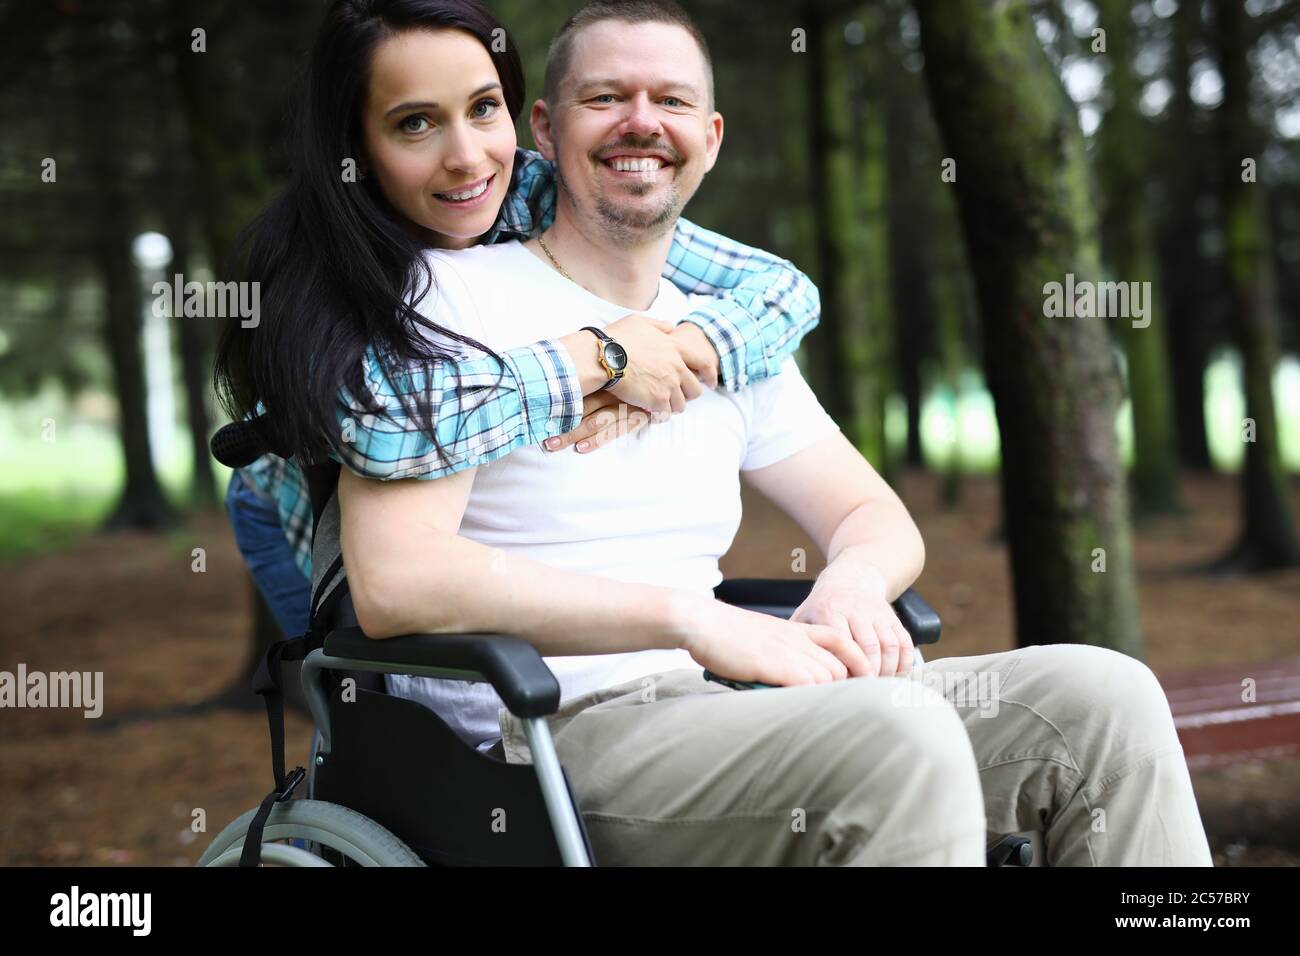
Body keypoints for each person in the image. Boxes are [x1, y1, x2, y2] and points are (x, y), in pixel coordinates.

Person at [326, 0, 1215, 866]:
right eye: (606, 99)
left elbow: (870, 512)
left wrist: (853, 589)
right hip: (556, 735)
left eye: (670, 100)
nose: (641, 123)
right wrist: (690, 619)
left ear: (710, 138)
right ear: (546, 132)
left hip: (736, 701)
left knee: (1103, 699)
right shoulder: (443, 300)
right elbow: (399, 583)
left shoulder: (727, 328)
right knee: (894, 735)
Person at [214, 0, 823, 643]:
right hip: (291, 508)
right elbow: (383, 433)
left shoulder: (535, 190)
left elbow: (783, 290)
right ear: (355, 146)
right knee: (356, 682)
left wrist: (684, 351)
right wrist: (602, 360)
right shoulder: (314, 271)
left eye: (482, 109)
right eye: (415, 123)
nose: (468, 159)